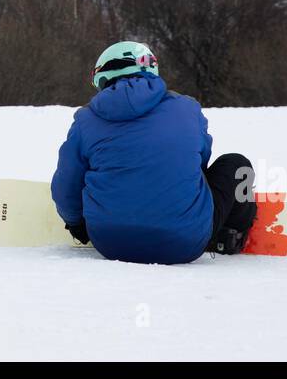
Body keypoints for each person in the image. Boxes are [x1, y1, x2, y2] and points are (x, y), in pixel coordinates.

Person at [50, 41, 257, 265]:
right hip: (186, 241)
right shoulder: (187, 108)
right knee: (238, 166)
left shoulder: (86, 119)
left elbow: (66, 187)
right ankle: (230, 234)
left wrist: (77, 225)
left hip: (109, 242)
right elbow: (199, 164)